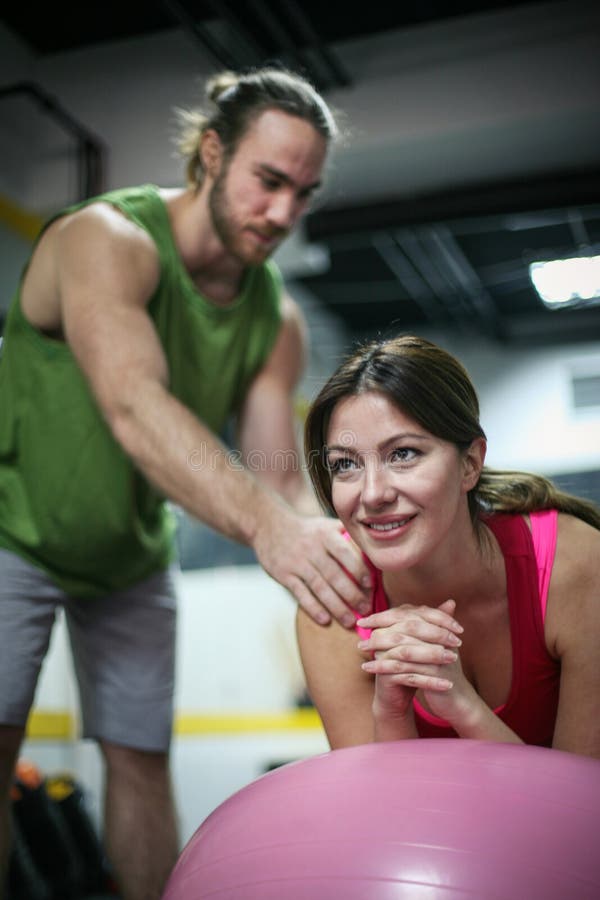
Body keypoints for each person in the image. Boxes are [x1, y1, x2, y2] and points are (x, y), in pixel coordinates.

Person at [0, 67, 372, 900]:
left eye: (303, 194)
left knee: (140, 762)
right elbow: (133, 403)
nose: (282, 214)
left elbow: (281, 479)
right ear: (212, 153)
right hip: (9, 533)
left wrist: (349, 558)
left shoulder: (273, 313)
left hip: (130, 560)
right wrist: (272, 533)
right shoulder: (106, 240)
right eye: (268, 181)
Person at [297, 334, 600, 759]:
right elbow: (376, 818)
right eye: (345, 464)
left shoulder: (579, 567)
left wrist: (463, 707)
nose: (372, 494)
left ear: (470, 464)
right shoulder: (332, 599)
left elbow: (582, 811)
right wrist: (392, 712)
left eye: (403, 453)